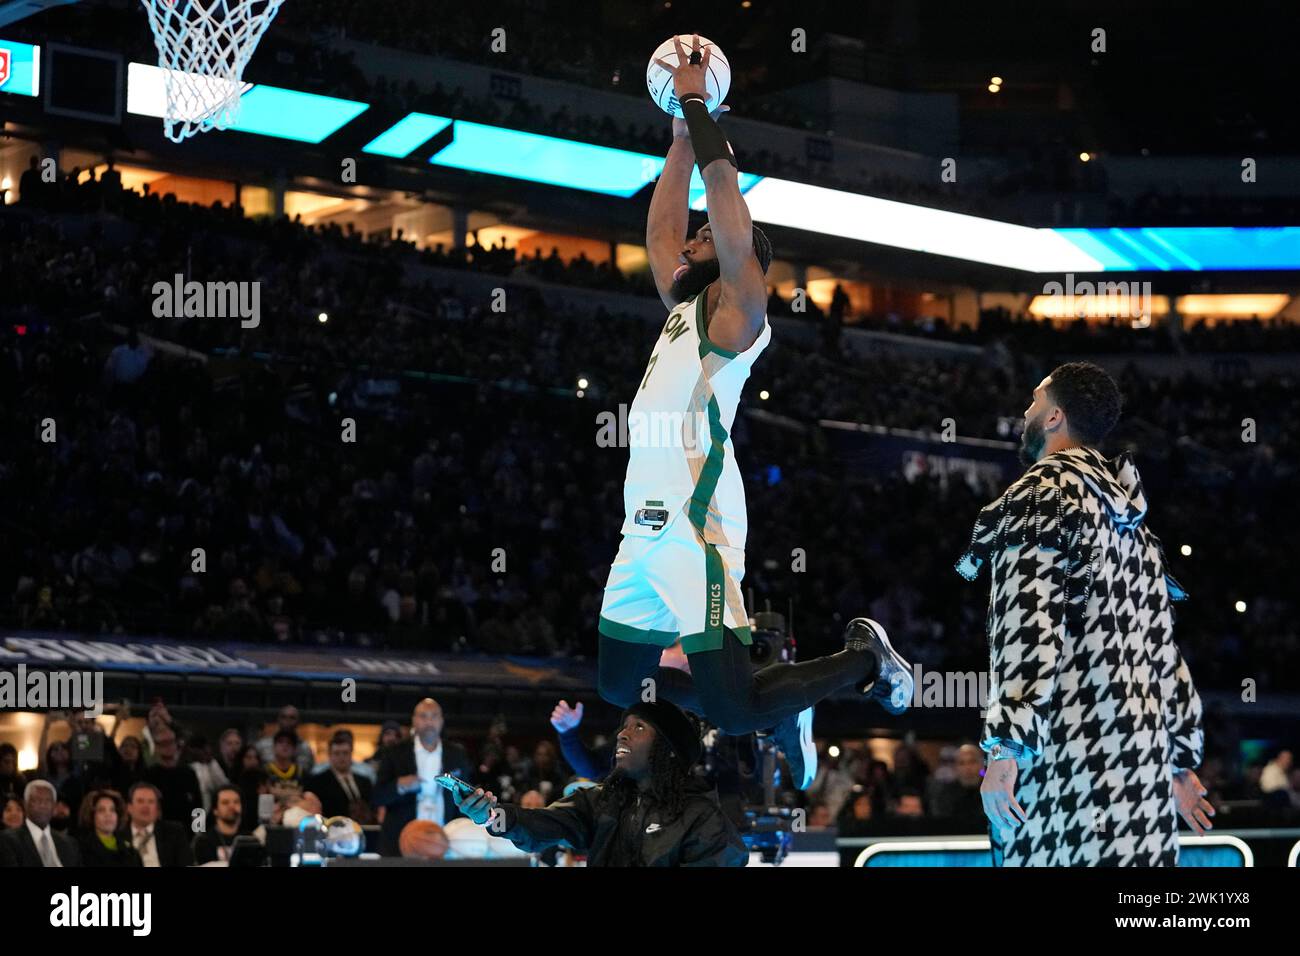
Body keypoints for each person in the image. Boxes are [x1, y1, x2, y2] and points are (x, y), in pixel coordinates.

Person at [597, 34, 912, 790]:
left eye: (709, 236)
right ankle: (766, 692)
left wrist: (701, 104)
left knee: (736, 714)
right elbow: (660, 233)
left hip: (694, 525)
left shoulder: (740, 309)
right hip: (642, 524)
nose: (692, 238)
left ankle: (862, 661)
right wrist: (677, 135)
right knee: (618, 686)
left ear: (739, 257)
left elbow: (726, 202)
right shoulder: (683, 303)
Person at [956, 361, 1212, 866]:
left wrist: (1005, 750)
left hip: (1067, 775)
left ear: (1054, 418)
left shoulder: (1040, 495)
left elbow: (1028, 626)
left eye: (1033, 401)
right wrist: (1178, 762)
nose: (1026, 411)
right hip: (1140, 785)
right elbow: (1164, 654)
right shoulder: (1136, 529)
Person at [455, 699, 747, 866]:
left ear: (668, 750)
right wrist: (493, 816)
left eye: (639, 727)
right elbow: (544, 823)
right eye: (624, 726)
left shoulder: (703, 818)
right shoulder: (601, 801)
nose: (622, 734)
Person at [372, 698, 470, 856]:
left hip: (446, 840)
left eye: (434, 716)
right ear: (414, 720)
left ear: (441, 721)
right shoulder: (394, 753)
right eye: (423, 716)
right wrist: (400, 786)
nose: (429, 721)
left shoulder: (456, 754)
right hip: (402, 841)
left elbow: (466, 797)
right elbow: (377, 797)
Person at [0, 780, 82, 866]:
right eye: (36, 800)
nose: (42, 805)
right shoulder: (7, 840)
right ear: (25, 804)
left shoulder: (70, 844)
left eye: (48, 801)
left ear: (54, 806)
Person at [306, 731, 374, 821]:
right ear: (330, 756)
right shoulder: (318, 782)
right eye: (337, 753)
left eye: (345, 753)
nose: (341, 757)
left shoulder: (365, 781)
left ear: (351, 754)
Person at [123, 782, 193, 868]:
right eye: (140, 801)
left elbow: (186, 863)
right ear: (129, 807)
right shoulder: (119, 836)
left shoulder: (174, 832)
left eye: (151, 802)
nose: (146, 806)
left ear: (157, 809)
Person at [142, 726, 202, 825]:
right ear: (156, 747)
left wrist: (199, 832)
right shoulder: (149, 774)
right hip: (158, 830)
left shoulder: (188, 773)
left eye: (170, 742)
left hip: (186, 831)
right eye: (163, 743)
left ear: (176, 744)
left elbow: (198, 806)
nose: (167, 746)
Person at [76, 790, 142, 867]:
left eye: (112, 810)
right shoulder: (80, 849)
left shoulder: (131, 852)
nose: (108, 814)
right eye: (101, 810)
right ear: (91, 816)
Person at [254, 705, 316, 775]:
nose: (287, 721)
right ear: (278, 719)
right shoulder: (262, 745)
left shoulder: (305, 748)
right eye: (283, 717)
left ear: (298, 721)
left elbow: (308, 772)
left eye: (292, 718)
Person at [192, 785, 243, 864]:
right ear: (215, 810)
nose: (232, 806)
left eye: (236, 802)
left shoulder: (249, 839)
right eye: (225, 802)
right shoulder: (203, 841)